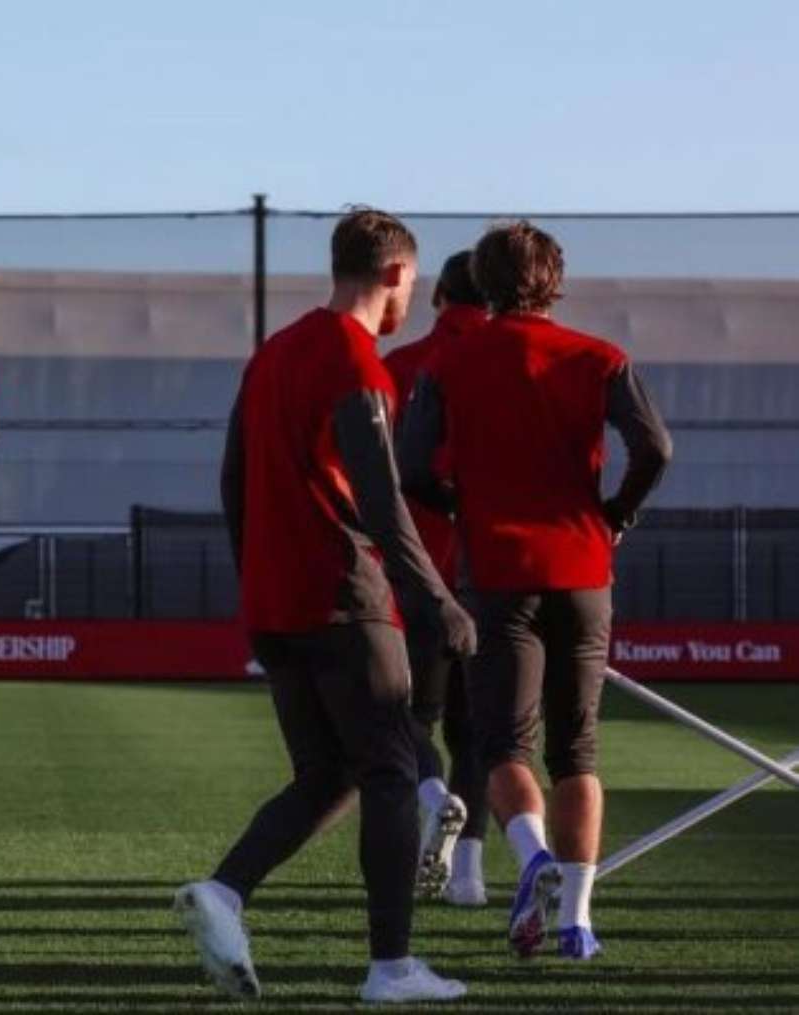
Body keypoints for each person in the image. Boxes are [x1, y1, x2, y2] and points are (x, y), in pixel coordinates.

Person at [178, 208, 474, 1005]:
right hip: (345, 600)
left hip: (277, 606)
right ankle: (391, 967)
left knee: (329, 772)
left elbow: (231, 480)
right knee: (392, 768)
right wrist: (437, 598)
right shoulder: (357, 361)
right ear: (396, 275)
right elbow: (381, 501)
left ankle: (227, 890)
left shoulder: (272, 355)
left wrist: (257, 581)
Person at [398, 221, 671, 961]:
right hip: (583, 569)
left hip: (496, 570)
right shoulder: (600, 357)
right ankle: (578, 921)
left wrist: (462, 501)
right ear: (555, 278)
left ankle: (533, 858)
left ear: (484, 282)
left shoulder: (450, 365)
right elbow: (656, 447)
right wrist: (615, 513)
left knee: (501, 741)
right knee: (577, 749)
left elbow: (412, 466)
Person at [381, 250, 490, 906]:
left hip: (416, 571)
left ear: (438, 295)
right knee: (478, 730)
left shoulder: (399, 367)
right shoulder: (518, 363)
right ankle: (471, 873)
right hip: (495, 576)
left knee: (405, 719)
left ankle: (429, 796)